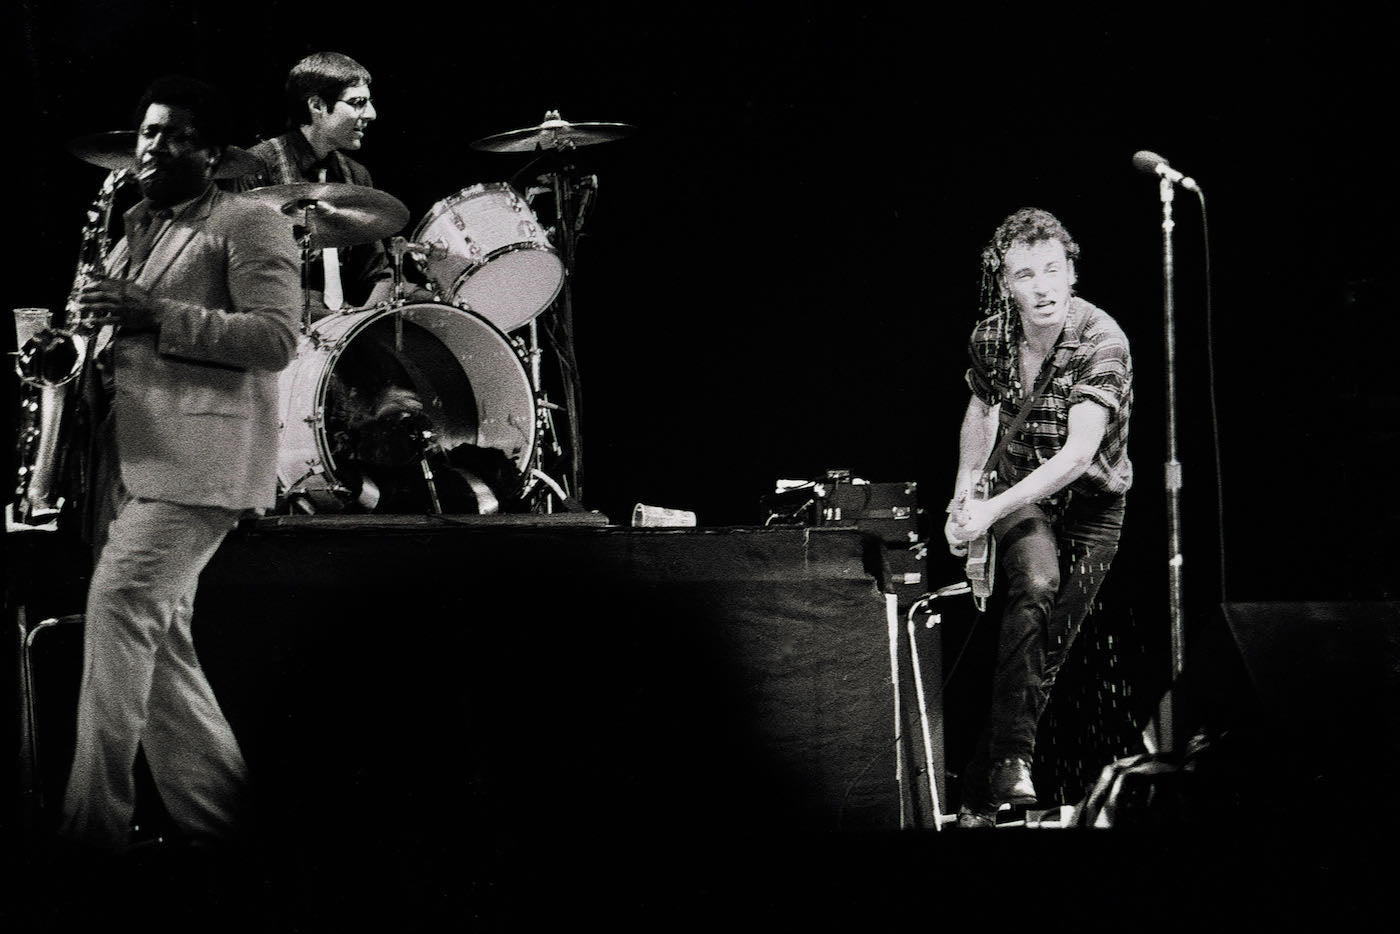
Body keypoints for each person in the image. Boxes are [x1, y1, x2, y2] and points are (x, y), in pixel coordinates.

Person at [58, 74, 301, 855]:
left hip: (201, 462)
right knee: (161, 656)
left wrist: (155, 314)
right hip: (126, 462)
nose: (152, 147)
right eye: (148, 133)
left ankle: (86, 839)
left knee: (120, 601)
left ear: (216, 151)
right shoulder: (134, 227)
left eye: (174, 134)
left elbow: (274, 339)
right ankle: (228, 833)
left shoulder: (251, 221)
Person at [944, 207, 1133, 828]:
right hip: (1023, 496)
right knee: (1037, 584)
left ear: (1072, 270)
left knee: (1046, 653)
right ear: (1006, 283)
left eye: (1054, 269)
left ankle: (981, 790)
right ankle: (1012, 765)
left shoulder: (1102, 338)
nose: (1044, 286)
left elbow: (1080, 454)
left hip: (1092, 505)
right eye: (1026, 275)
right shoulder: (992, 335)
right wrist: (965, 493)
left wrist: (988, 506)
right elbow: (982, 411)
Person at [239, 51, 394, 314]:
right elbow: (245, 273)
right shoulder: (256, 166)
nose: (371, 114)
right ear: (317, 105)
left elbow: (378, 273)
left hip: (343, 324)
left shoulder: (356, 175)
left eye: (369, 102)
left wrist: (363, 321)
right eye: (357, 102)